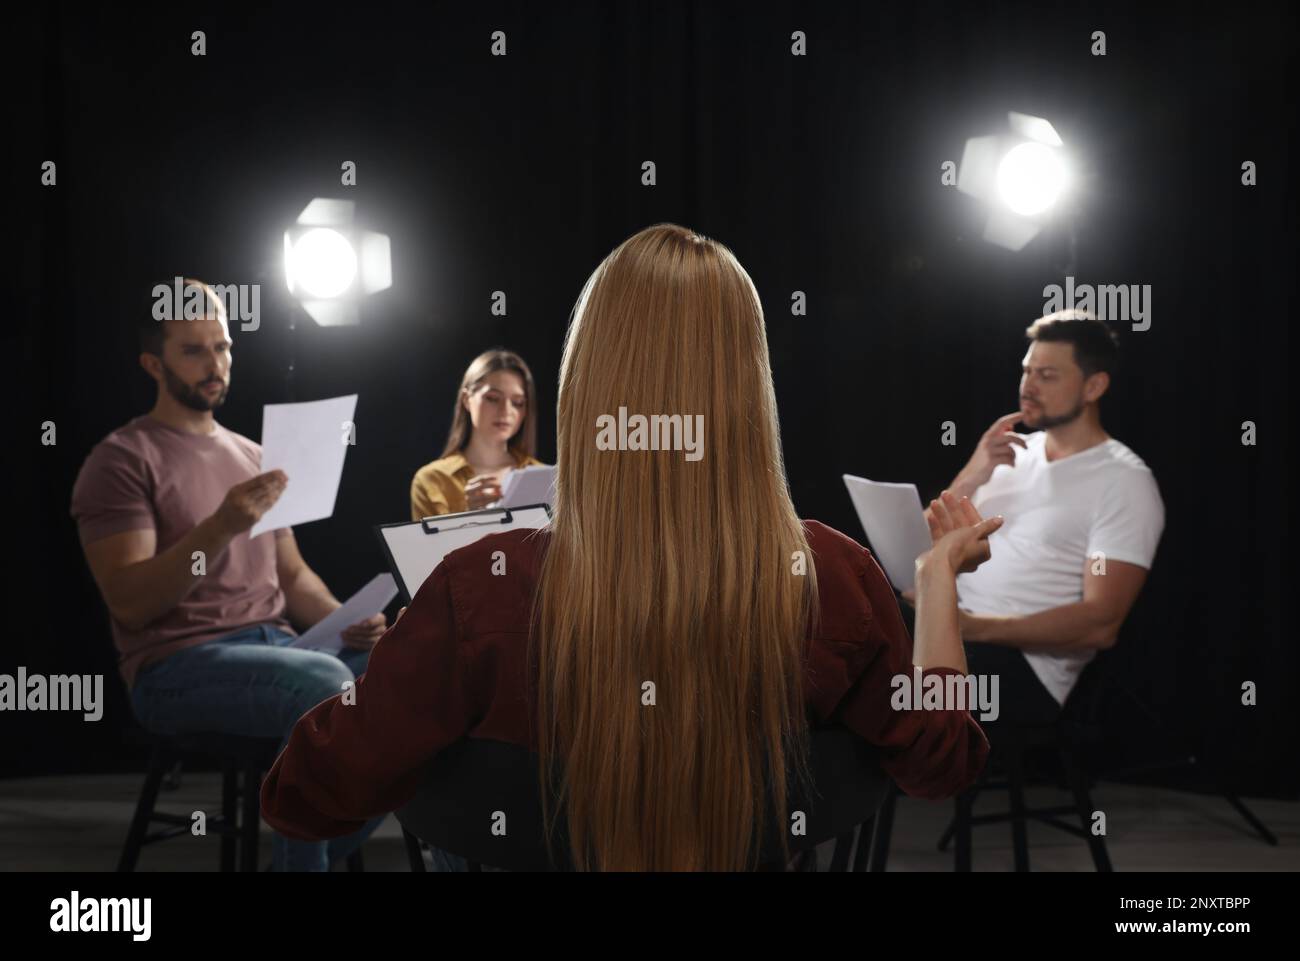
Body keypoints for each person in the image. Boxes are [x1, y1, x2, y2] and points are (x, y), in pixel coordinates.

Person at [263, 225, 995, 871]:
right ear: (750, 391)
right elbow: (944, 759)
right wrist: (936, 581)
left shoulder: (479, 588)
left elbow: (301, 795)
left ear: (587, 390)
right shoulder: (833, 577)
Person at [70, 278, 387, 871]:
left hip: (280, 649)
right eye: (193, 351)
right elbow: (131, 603)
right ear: (152, 363)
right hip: (176, 668)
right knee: (319, 682)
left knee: (407, 678)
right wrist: (220, 526)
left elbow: (292, 578)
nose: (214, 364)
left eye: (222, 347)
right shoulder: (121, 459)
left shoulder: (252, 456)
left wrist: (349, 620)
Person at [934, 310, 1165, 734]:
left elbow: (1101, 623)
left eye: (1047, 375)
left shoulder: (1124, 480)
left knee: (876, 682)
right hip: (953, 629)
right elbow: (930, 549)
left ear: (1094, 386)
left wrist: (969, 627)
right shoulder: (1009, 453)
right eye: (1026, 371)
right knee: (834, 642)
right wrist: (972, 473)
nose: (1028, 386)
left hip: (1023, 671)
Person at [410, 349, 545, 518]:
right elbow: (427, 545)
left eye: (517, 403)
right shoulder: (433, 480)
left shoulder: (546, 479)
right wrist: (469, 518)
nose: (506, 411)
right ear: (467, 399)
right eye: (493, 398)